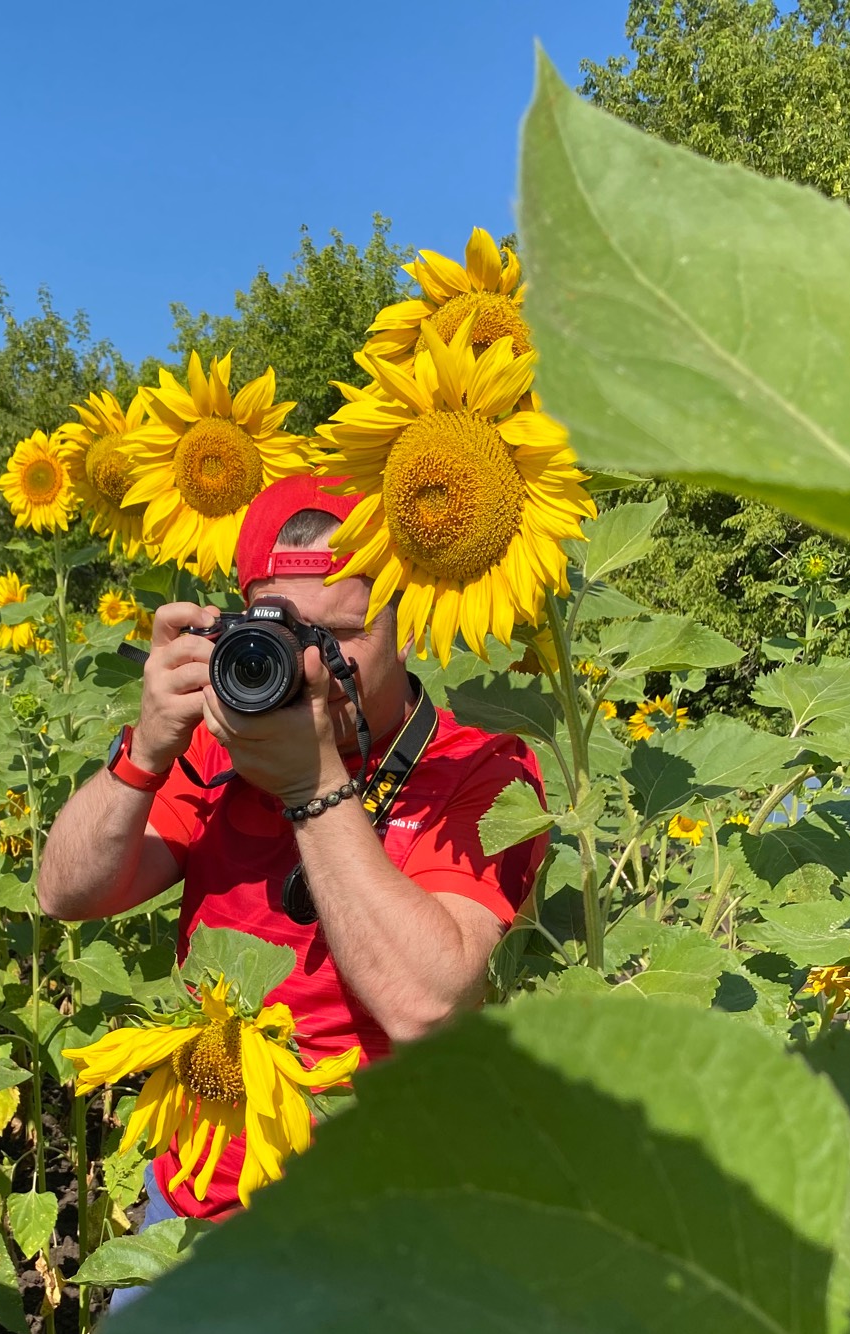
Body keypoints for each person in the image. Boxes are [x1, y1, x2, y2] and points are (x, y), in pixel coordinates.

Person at [37, 473, 549, 1229]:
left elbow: (426, 1006)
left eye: (338, 638)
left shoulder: (479, 772)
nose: (311, 668)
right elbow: (65, 893)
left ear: (401, 622)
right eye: (286, 636)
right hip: (195, 1196)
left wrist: (313, 786)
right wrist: (143, 752)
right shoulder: (215, 750)